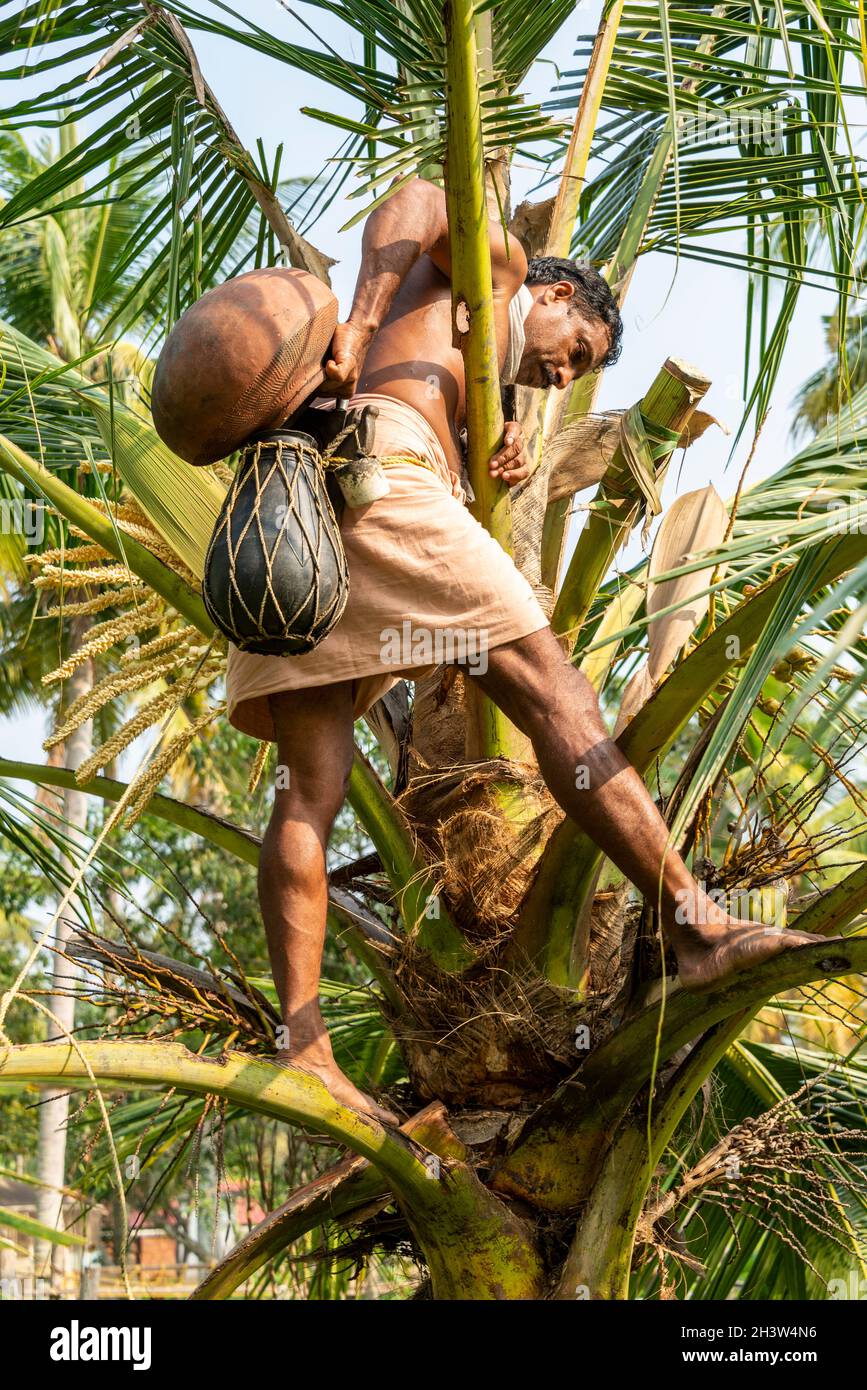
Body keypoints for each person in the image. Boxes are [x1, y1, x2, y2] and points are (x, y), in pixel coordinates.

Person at [226, 177, 819, 1125]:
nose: (561, 374)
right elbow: (421, 197)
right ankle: (694, 926)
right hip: (382, 488)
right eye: (572, 351)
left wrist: (487, 430)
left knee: (310, 789)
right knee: (558, 696)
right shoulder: (492, 270)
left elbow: (440, 372)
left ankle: (303, 1050)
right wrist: (360, 320)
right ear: (547, 295)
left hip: (290, 527)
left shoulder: (464, 360)